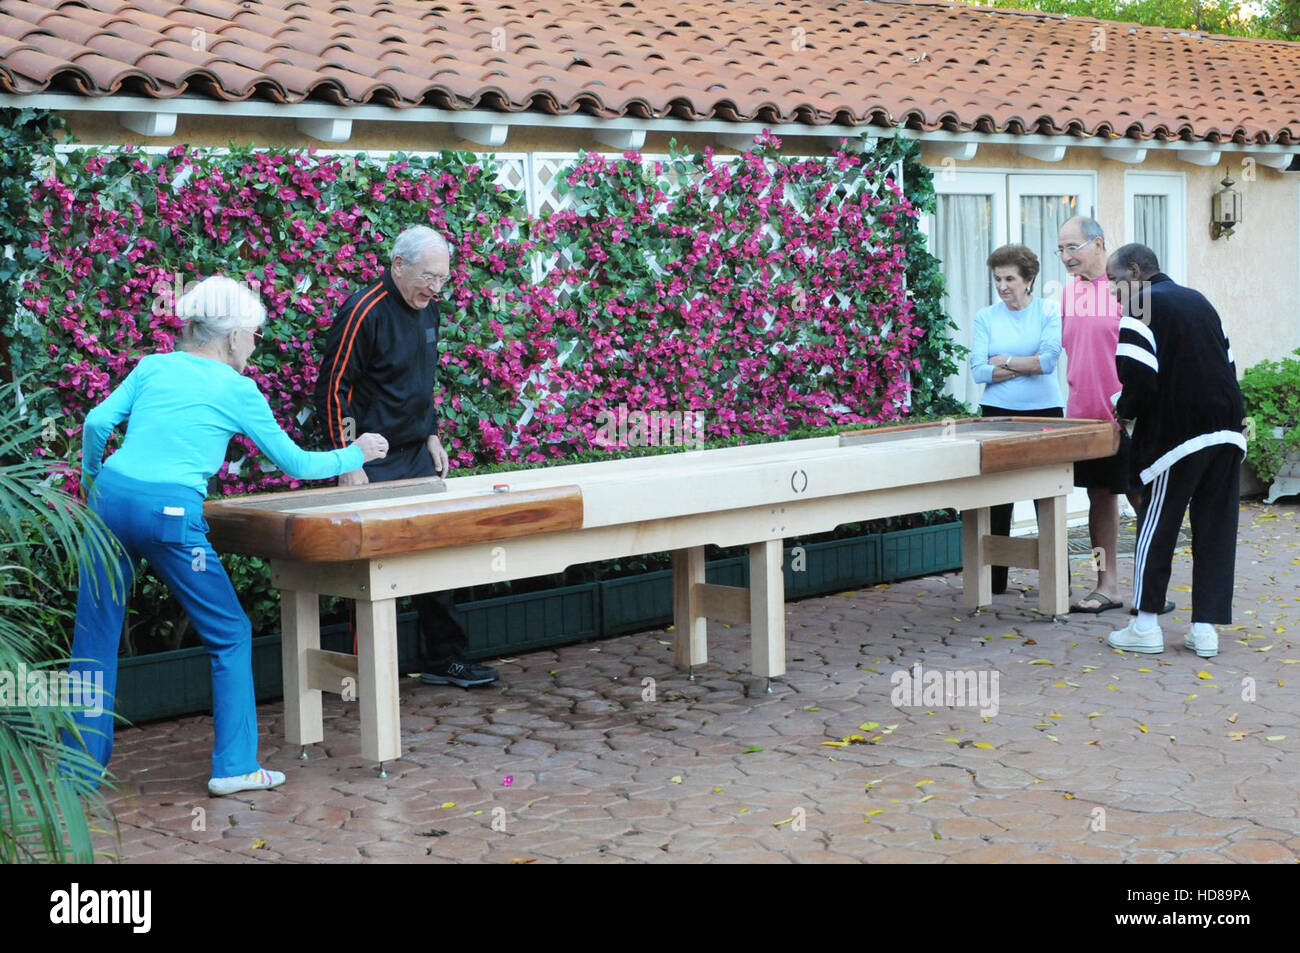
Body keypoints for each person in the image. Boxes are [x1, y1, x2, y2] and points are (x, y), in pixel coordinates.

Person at [68, 276, 388, 795]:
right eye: (255, 334)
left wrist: (90, 484)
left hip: (108, 501)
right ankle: (235, 768)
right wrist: (359, 453)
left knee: (94, 637)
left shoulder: (154, 366)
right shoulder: (238, 389)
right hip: (169, 515)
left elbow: (96, 424)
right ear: (233, 336)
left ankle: (78, 768)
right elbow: (297, 464)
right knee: (230, 633)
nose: (257, 345)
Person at [315, 225, 498, 688]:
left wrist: (432, 433)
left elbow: (421, 382)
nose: (435, 288)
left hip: (417, 455)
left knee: (440, 559)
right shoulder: (363, 311)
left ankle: (446, 660)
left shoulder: (428, 308)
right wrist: (347, 458)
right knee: (372, 571)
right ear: (398, 265)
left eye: (442, 279)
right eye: (428, 277)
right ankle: (365, 677)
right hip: (370, 460)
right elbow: (332, 389)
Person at [1105, 244, 1245, 658]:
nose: (1113, 293)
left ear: (1135, 271)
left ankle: (1145, 626)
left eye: (1115, 282)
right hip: (1227, 426)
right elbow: (1228, 363)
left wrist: (1123, 412)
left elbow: (1139, 376)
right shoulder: (1198, 299)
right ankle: (1205, 630)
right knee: (1217, 529)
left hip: (1178, 432)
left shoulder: (1142, 304)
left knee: (1157, 525)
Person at [1056, 216, 1150, 614]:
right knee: (1099, 499)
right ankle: (1106, 584)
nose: (1065, 257)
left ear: (1098, 243)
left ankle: (1151, 587)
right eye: (1060, 249)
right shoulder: (1066, 294)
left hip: (1128, 417)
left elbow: (1149, 354)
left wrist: (1134, 410)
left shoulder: (1128, 291)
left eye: (1071, 247)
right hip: (1085, 417)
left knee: (1145, 500)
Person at [968, 243, 1063, 594]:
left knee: (1047, 497)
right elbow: (979, 370)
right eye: (998, 279)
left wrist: (1002, 360)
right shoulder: (985, 317)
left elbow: (1048, 362)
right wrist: (1026, 363)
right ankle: (994, 581)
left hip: (1045, 413)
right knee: (997, 499)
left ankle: (1057, 580)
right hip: (997, 415)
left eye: (1010, 278)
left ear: (1029, 279)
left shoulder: (1048, 311)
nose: (1003, 286)